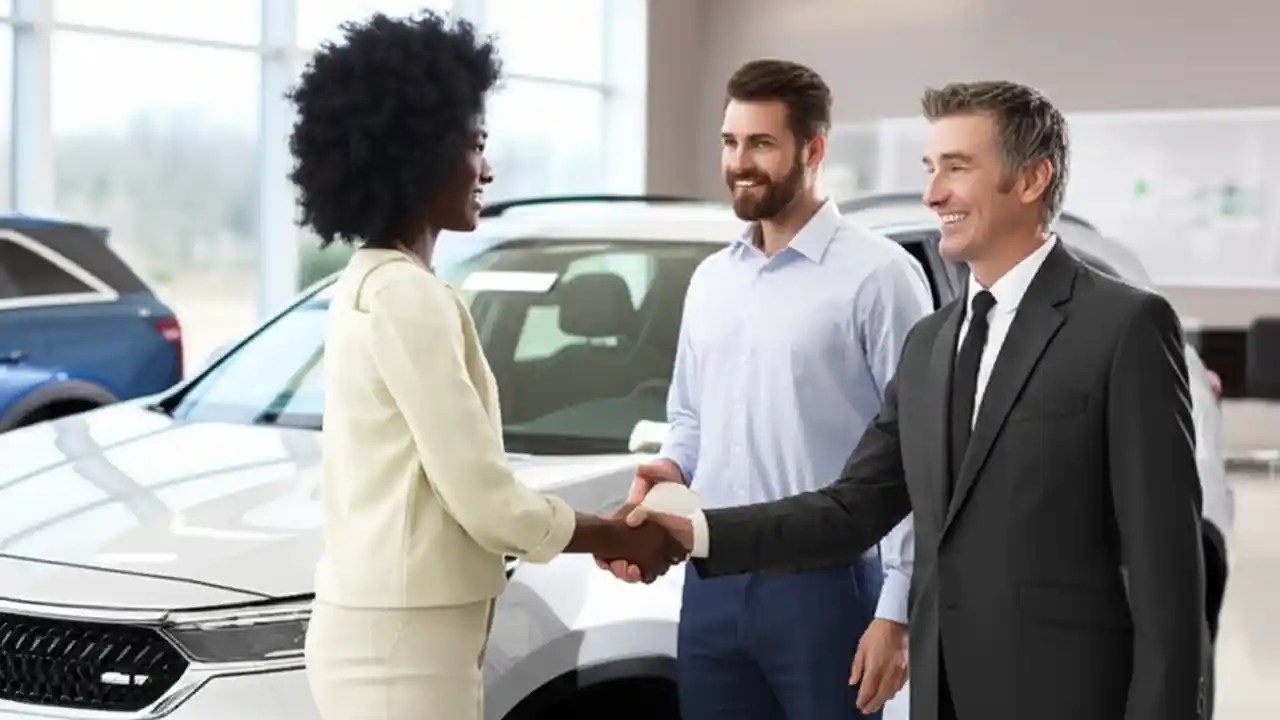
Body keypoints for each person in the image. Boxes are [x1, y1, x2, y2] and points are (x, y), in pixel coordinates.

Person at [623, 80, 1208, 720]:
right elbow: (852, 508)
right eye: (931, 169)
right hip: (943, 697)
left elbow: (1169, 589)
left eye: (957, 168)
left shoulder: (1124, 327)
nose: (934, 193)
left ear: (1033, 179)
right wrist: (698, 531)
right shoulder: (934, 342)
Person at [287, 11, 686, 720]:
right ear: (418, 155)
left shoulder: (370, 279)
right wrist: (610, 534)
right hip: (404, 649)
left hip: (394, 634)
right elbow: (484, 500)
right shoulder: (408, 298)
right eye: (476, 145)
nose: (487, 169)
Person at [606, 59, 932, 720]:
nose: (738, 162)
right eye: (730, 142)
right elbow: (689, 416)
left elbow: (920, 457)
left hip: (828, 589)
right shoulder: (711, 280)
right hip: (711, 585)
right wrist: (666, 470)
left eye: (760, 143)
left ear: (813, 149)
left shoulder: (880, 278)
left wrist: (896, 612)